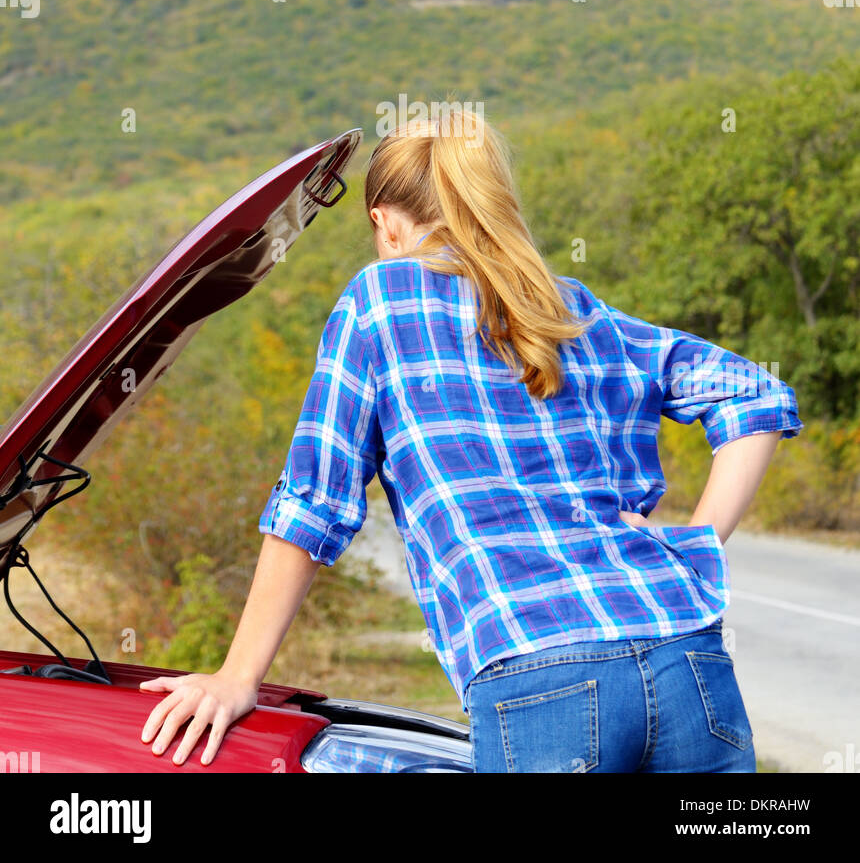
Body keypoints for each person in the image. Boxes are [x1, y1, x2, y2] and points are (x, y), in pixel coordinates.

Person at [140, 107, 801, 771]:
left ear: (384, 223)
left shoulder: (378, 302)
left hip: (539, 669)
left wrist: (237, 677)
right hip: (685, 651)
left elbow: (312, 506)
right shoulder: (569, 305)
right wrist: (701, 538)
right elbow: (756, 394)